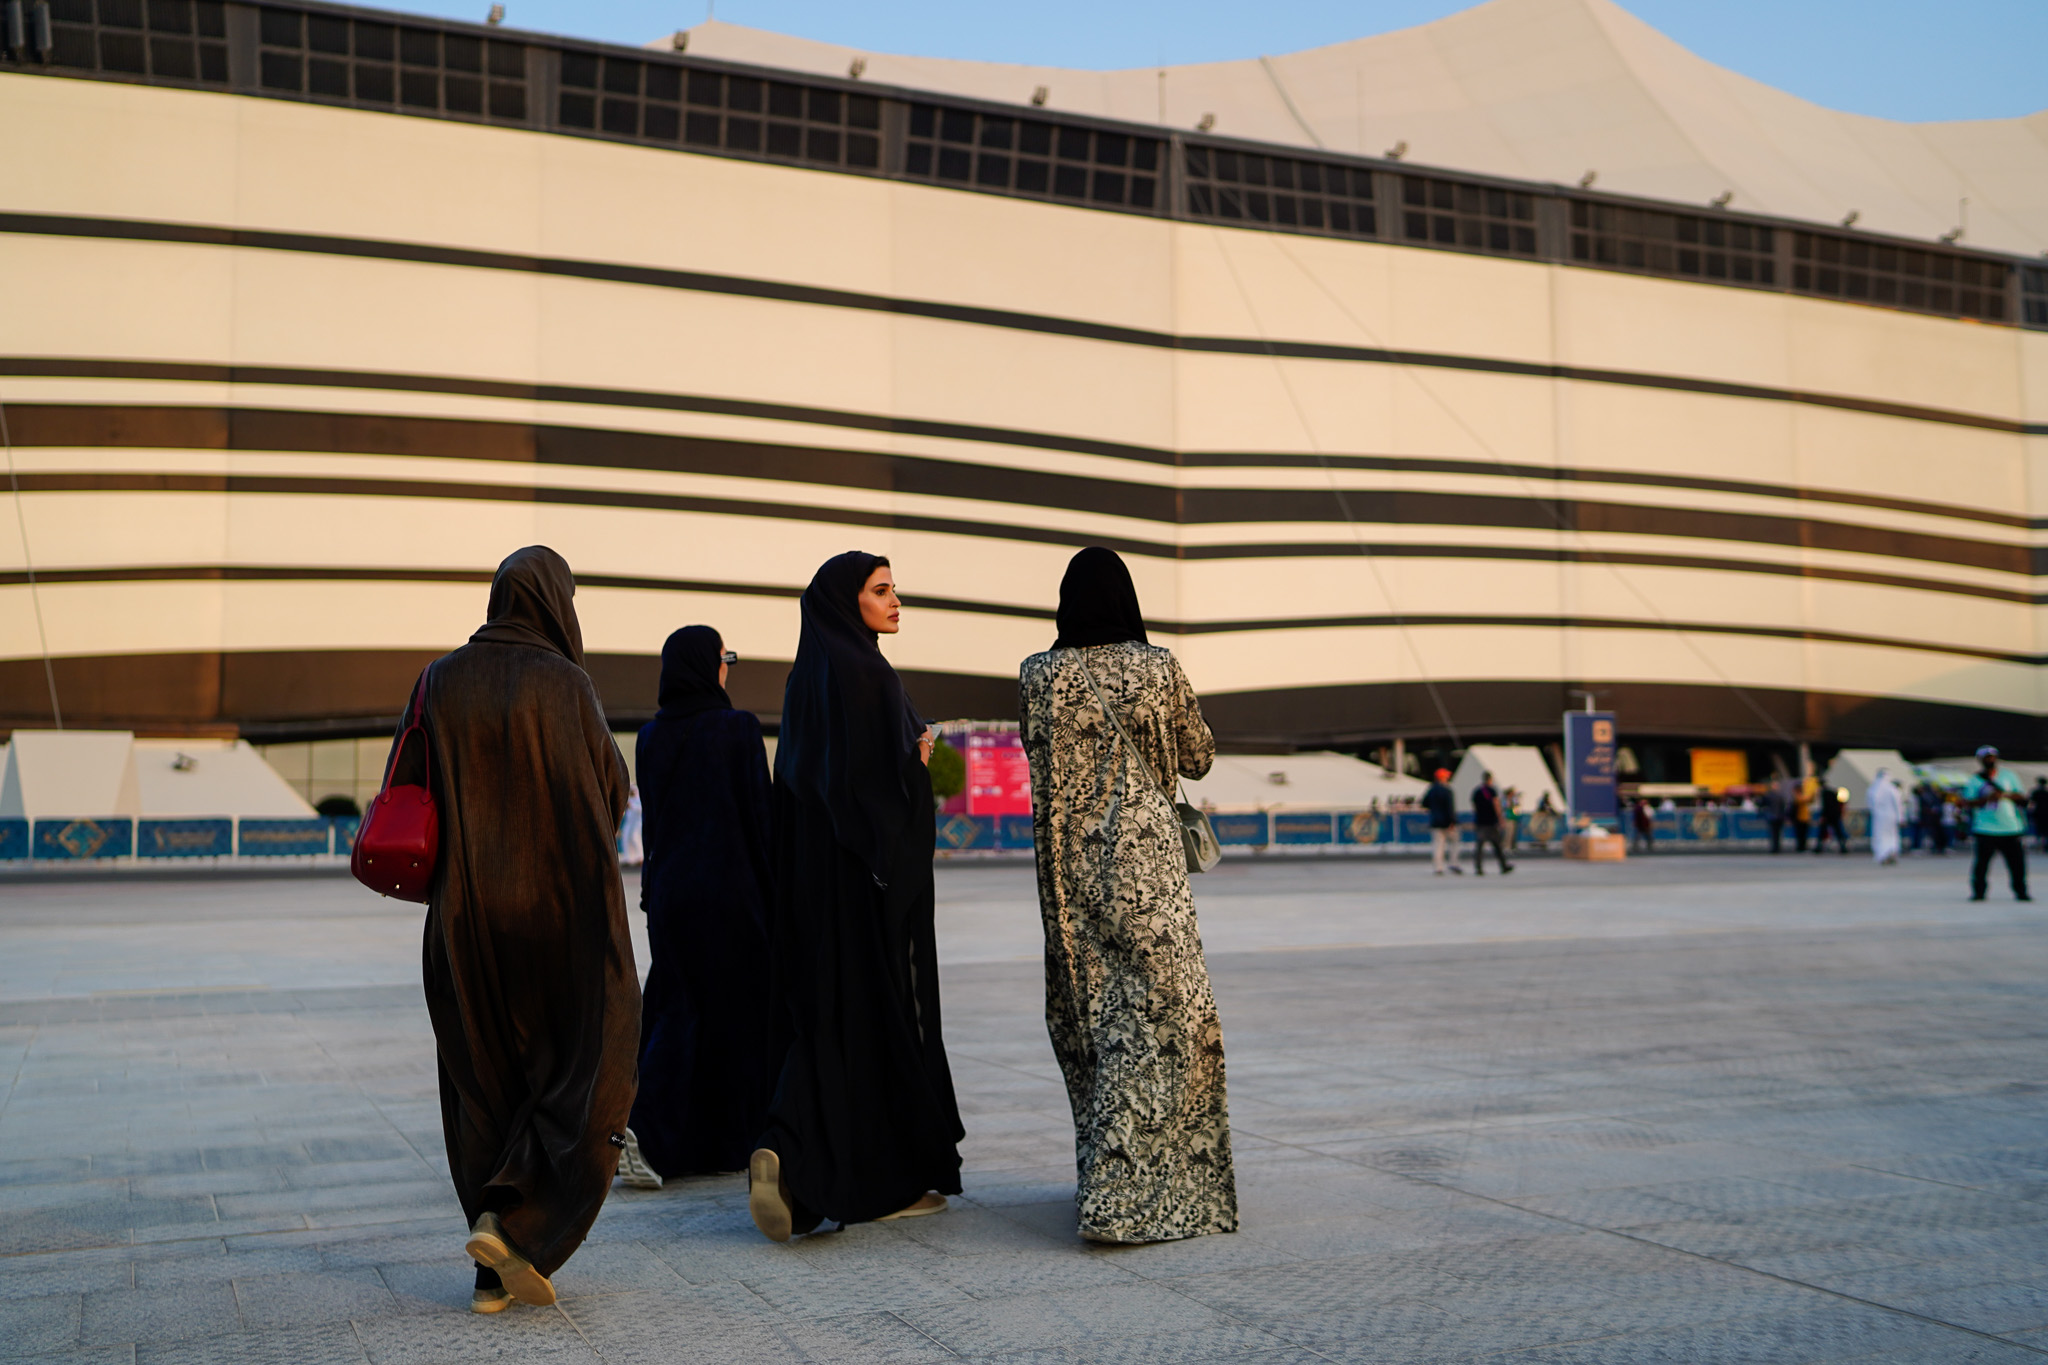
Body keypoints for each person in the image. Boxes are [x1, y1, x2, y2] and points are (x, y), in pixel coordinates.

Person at [390, 546, 639, 1314]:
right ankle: (521, 1227)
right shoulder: (566, 683)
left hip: (463, 920)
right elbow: (613, 787)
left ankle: (492, 1265)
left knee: (482, 1086)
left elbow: (409, 785)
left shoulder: (439, 679)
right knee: (586, 1064)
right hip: (557, 915)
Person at [1019, 546, 1237, 1245]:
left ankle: (1106, 1175)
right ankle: (1133, 1198)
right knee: (1169, 1020)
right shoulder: (1158, 667)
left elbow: (1039, 757)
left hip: (1068, 872)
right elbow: (1198, 756)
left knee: (1091, 1017)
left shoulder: (1037, 674)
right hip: (1146, 871)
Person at [748, 552, 963, 1241]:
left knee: (825, 1018)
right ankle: (881, 1183)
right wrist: (918, 764)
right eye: (881, 590)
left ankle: (786, 1147)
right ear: (850, 602)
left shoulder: (806, 677)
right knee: (876, 1024)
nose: (895, 601)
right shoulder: (870, 673)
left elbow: (804, 786)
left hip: (811, 888)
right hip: (865, 890)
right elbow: (877, 796)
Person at [624, 626, 777, 1187]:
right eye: (724, 656)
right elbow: (760, 819)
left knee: (678, 1009)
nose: (727, 666)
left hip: (671, 897)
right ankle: (658, 1132)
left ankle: (684, 1145)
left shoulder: (649, 738)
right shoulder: (738, 728)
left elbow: (655, 829)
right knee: (736, 1020)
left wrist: (651, 896)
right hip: (731, 897)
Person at [1964, 745, 2030, 902]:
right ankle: (1979, 892)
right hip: (1985, 828)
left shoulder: (2008, 776)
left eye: (1992, 757)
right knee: (1982, 864)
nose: (1990, 760)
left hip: (2011, 827)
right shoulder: (1975, 780)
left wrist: (2004, 795)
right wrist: (1986, 799)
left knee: (2017, 864)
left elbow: (2021, 797)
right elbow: (1968, 802)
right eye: (1987, 758)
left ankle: (2021, 892)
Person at [1470, 772, 1513, 875]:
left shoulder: (1477, 791)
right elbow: (1496, 805)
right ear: (1490, 780)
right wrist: (1500, 819)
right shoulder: (1492, 791)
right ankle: (1503, 866)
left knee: (1480, 846)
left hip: (1480, 821)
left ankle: (1478, 868)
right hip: (1491, 822)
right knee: (1497, 845)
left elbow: (1474, 805)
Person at [1423, 769, 1461, 875]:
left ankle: (1438, 867)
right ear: (1442, 778)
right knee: (1454, 843)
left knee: (1438, 845)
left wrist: (1434, 808)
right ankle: (1454, 863)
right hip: (1447, 822)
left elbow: (1424, 803)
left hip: (1435, 821)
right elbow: (1450, 807)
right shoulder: (1447, 790)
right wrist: (1452, 821)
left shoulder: (1431, 790)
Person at [1868, 767, 1904, 866]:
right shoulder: (1892, 789)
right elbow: (1898, 804)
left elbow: (1871, 804)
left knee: (1880, 836)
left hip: (1879, 817)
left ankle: (1882, 854)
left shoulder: (1873, 788)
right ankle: (1891, 852)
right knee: (1892, 835)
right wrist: (1900, 817)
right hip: (1891, 816)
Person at [1814, 780, 1849, 854]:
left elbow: (1825, 806)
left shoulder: (1824, 793)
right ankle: (1843, 847)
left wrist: (1823, 816)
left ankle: (1818, 848)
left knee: (1822, 832)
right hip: (1835, 815)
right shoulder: (1832, 792)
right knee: (1838, 832)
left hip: (1829, 815)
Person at [618, 784, 644, 867]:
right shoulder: (630, 800)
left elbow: (640, 809)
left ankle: (640, 856)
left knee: (634, 838)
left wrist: (631, 806)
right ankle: (629, 857)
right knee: (625, 838)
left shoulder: (638, 799)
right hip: (629, 823)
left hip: (637, 823)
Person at [1760, 778, 1788, 854]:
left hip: (1777, 816)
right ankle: (1775, 847)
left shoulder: (1779, 795)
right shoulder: (1770, 795)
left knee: (1777, 833)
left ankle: (1776, 847)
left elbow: (1783, 807)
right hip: (1773, 816)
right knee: (1774, 833)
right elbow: (1763, 803)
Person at [1792, 774, 1815, 852]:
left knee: (1803, 834)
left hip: (1804, 818)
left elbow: (1810, 801)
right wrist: (1812, 792)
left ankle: (1802, 846)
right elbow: (1804, 800)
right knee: (1800, 834)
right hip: (1799, 818)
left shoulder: (1800, 795)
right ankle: (1801, 847)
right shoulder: (1797, 796)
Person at [2030, 777, 2048, 852]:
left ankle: (2039, 844)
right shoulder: (2046, 792)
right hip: (2046, 813)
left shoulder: (2036, 792)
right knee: (2045, 829)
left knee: (2038, 829)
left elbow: (2031, 803)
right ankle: (2045, 845)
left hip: (2038, 812)